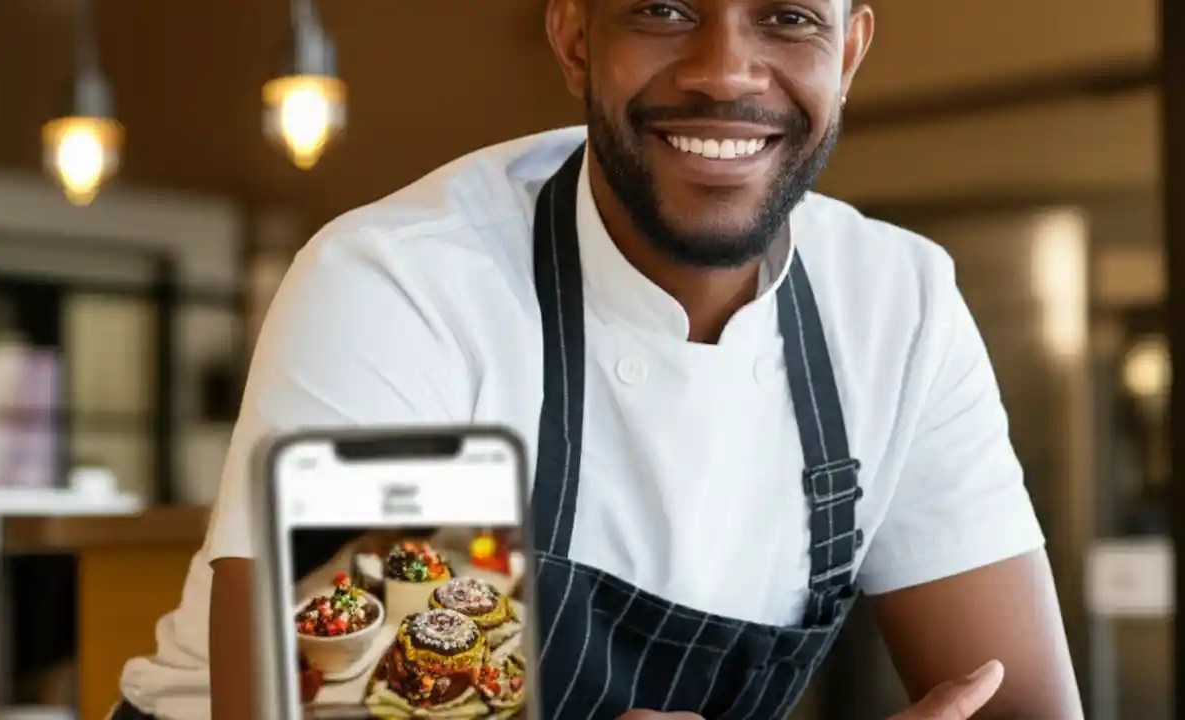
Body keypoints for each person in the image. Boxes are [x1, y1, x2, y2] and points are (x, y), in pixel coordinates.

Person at [114, 1, 1082, 718]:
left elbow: (1016, 706)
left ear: (850, 50)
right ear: (574, 33)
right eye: (663, 10)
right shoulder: (402, 289)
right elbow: (353, 707)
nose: (725, 72)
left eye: (786, 17)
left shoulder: (896, 310)